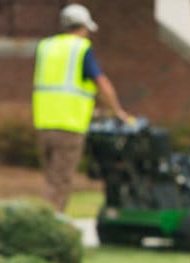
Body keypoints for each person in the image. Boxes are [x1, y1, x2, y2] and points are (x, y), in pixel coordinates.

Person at [32, 3, 131, 212]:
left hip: (43, 123)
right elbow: (101, 83)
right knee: (60, 181)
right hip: (69, 126)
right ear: (83, 27)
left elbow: (58, 87)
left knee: (51, 178)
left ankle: (47, 220)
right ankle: (51, 226)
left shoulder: (46, 47)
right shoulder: (81, 49)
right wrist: (117, 110)